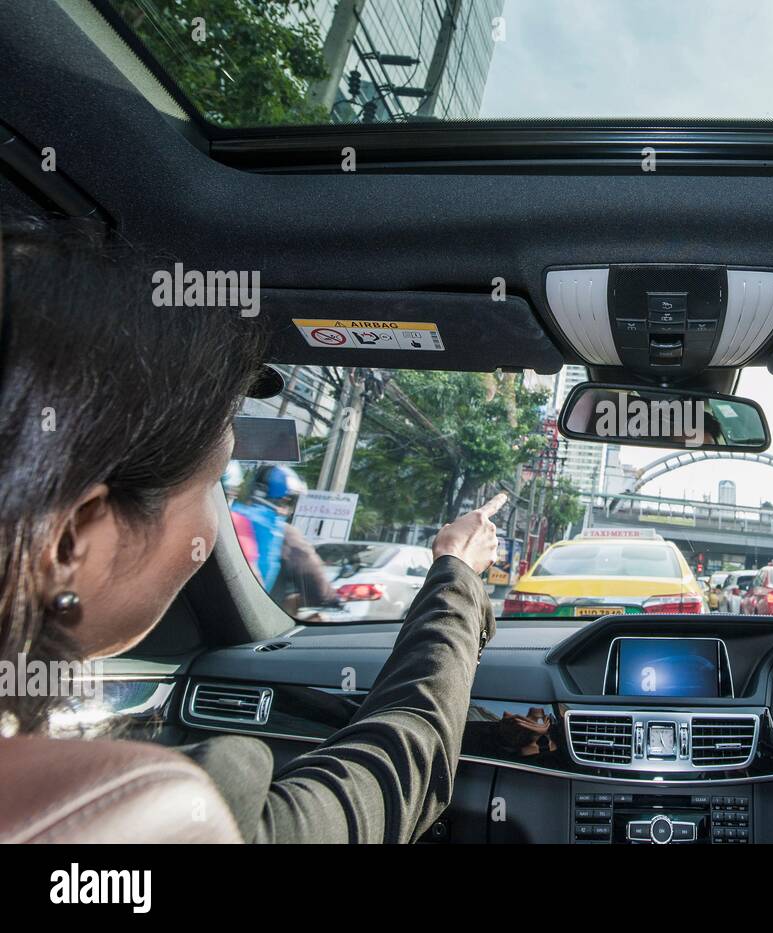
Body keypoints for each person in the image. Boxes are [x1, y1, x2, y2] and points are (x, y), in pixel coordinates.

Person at [0, 216, 501, 842]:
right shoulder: (148, 816)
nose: (213, 519)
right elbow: (399, 769)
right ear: (74, 538)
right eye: (210, 481)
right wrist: (454, 571)